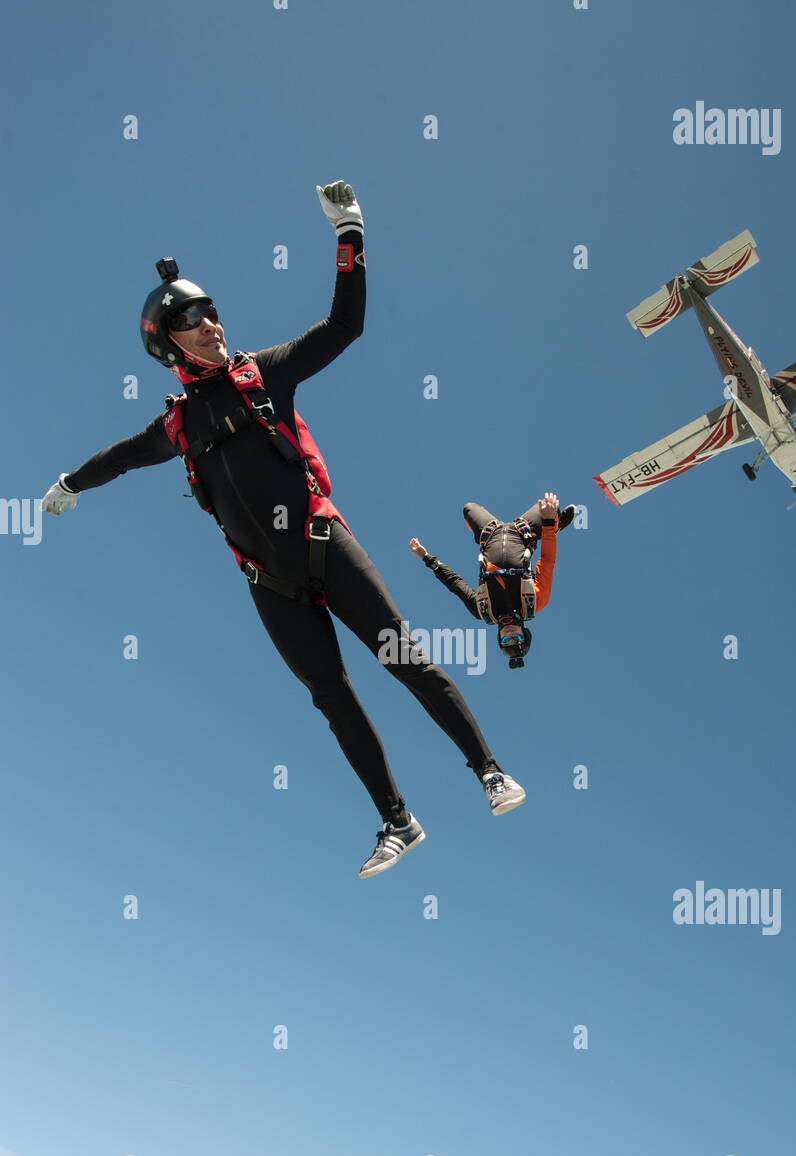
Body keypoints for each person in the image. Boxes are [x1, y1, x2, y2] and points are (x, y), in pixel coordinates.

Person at [40, 181, 525, 878]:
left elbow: (344, 326)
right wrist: (69, 484)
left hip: (324, 546)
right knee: (332, 700)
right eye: (193, 318)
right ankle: (397, 822)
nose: (212, 324)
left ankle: (488, 770)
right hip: (269, 583)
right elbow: (120, 457)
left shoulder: (264, 373)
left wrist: (349, 234)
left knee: (404, 660)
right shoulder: (176, 426)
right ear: (166, 344)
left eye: (212, 311)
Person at [410, 494, 575, 668]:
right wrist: (548, 523)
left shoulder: (482, 609)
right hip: (523, 531)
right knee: (551, 506)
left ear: (499, 637)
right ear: (524, 633)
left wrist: (426, 558)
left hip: (490, 533)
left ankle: (550, 526)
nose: (509, 634)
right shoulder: (535, 601)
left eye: (506, 640)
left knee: (468, 508)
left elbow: (455, 584)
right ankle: (554, 527)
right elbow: (547, 560)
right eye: (516, 638)